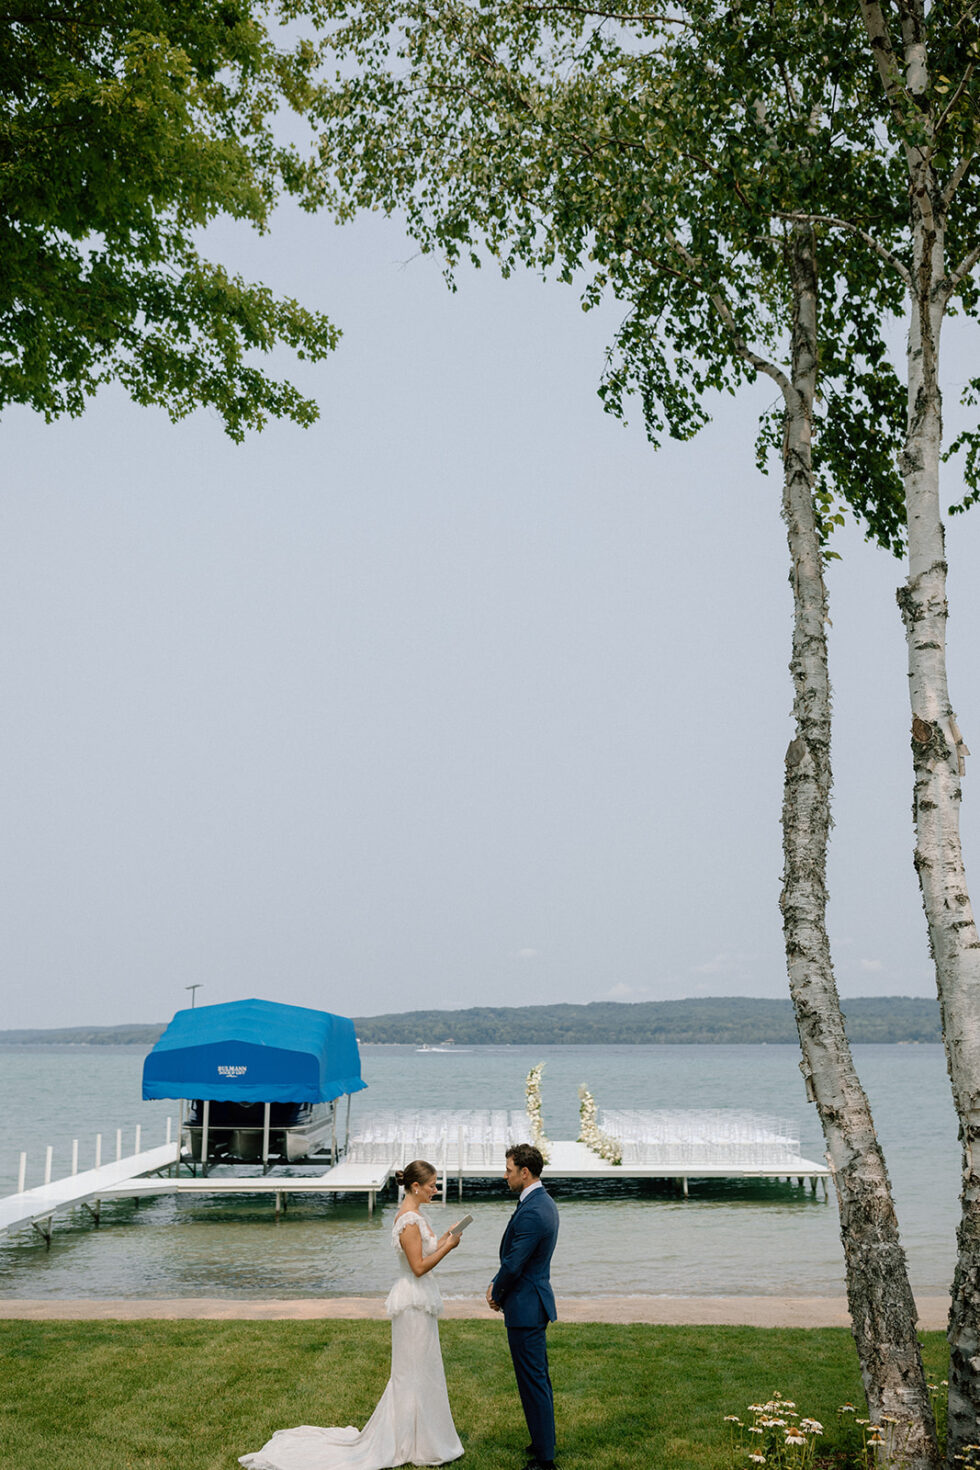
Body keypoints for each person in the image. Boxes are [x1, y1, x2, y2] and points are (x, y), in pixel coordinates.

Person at [240, 1160, 465, 1470]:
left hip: (420, 1298)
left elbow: (426, 1253)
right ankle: (407, 1440)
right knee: (411, 1372)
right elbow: (418, 1267)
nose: (435, 1190)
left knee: (423, 1368)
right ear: (416, 1187)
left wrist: (446, 1238)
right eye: (432, 1185)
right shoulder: (408, 1221)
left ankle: (421, 1437)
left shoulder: (417, 1216)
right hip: (413, 1301)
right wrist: (448, 1248)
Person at [485, 1143, 560, 1470]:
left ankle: (545, 1459)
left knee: (533, 1380)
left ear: (524, 1172)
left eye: (509, 1170)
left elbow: (515, 1264)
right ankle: (541, 1441)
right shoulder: (540, 1202)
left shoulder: (534, 1210)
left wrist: (496, 1291)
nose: (505, 1176)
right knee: (534, 1379)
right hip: (530, 1303)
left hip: (527, 1306)